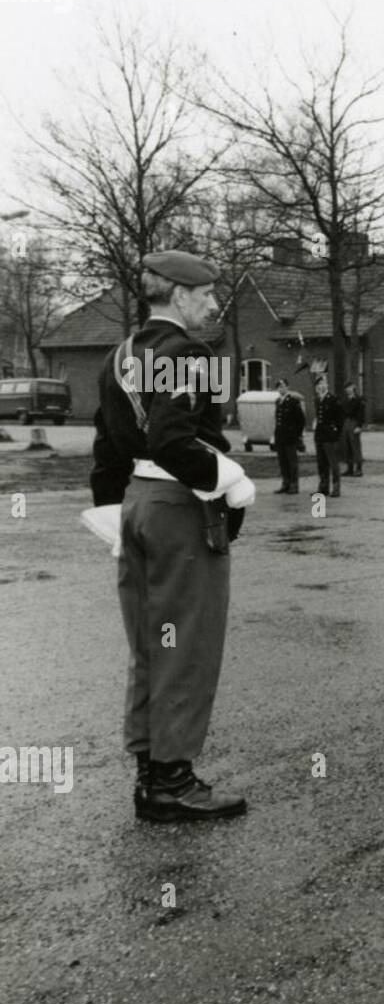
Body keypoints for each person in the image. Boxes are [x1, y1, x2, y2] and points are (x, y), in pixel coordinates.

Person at [89, 250, 252, 822]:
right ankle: (173, 782)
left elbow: (108, 441)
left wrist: (111, 509)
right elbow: (172, 439)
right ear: (179, 295)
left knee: (149, 644)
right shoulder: (188, 352)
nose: (212, 304)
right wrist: (227, 481)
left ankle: (150, 769)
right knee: (185, 643)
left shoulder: (121, 354)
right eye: (206, 294)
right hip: (179, 505)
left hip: (135, 502)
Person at [313, 374, 344, 497]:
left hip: (330, 435)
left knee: (333, 462)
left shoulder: (333, 399)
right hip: (320, 435)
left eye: (323, 384)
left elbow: (340, 419)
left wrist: (336, 434)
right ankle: (323, 486)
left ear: (327, 385)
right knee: (321, 463)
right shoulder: (318, 400)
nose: (321, 387)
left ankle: (336, 487)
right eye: (319, 385)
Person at [273, 377, 305, 493]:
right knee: (283, 461)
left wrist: (298, 435)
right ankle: (285, 483)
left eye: (283, 386)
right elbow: (278, 420)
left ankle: (294, 485)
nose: (281, 389)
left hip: (291, 437)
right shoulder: (278, 402)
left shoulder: (293, 402)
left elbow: (300, 420)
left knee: (292, 462)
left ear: (288, 387)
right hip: (280, 436)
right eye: (279, 387)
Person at [342, 382, 365, 477]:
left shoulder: (359, 400)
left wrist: (359, 426)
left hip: (354, 422)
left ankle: (359, 469)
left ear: (353, 388)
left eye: (350, 387)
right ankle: (349, 468)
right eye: (347, 388)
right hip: (346, 423)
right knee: (347, 446)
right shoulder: (345, 400)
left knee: (355, 446)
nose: (348, 389)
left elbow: (361, 414)